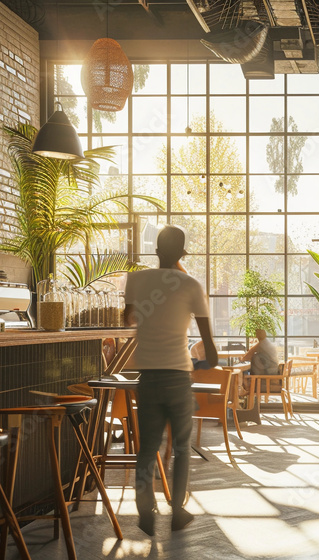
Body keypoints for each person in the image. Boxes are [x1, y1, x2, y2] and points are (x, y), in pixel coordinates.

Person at [124, 225, 218, 536]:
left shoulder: (136, 280)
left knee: (146, 448)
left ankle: (145, 511)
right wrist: (211, 362)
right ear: (182, 253)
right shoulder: (191, 285)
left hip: (148, 377)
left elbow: (128, 319)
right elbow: (210, 347)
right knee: (180, 447)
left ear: (155, 250)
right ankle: (177, 511)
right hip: (178, 375)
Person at [241, 328, 279, 394]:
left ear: (257, 336)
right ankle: (245, 388)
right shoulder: (267, 342)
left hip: (268, 372)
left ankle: (245, 389)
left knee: (244, 370)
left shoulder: (262, 344)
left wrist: (241, 358)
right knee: (250, 367)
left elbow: (246, 357)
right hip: (273, 370)